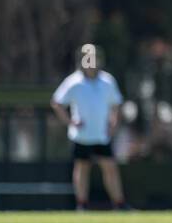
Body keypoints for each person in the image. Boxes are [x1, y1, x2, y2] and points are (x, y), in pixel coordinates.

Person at [50, 47, 129, 211]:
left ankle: (119, 204)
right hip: (82, 135)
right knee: (82, 167)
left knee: (110, 168)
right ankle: (82, 204)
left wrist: (113, 124)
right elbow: (56, 103)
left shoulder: (107, 81)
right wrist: (70, 122)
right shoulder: (73, 82)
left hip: (101, 135)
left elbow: (116, 104)